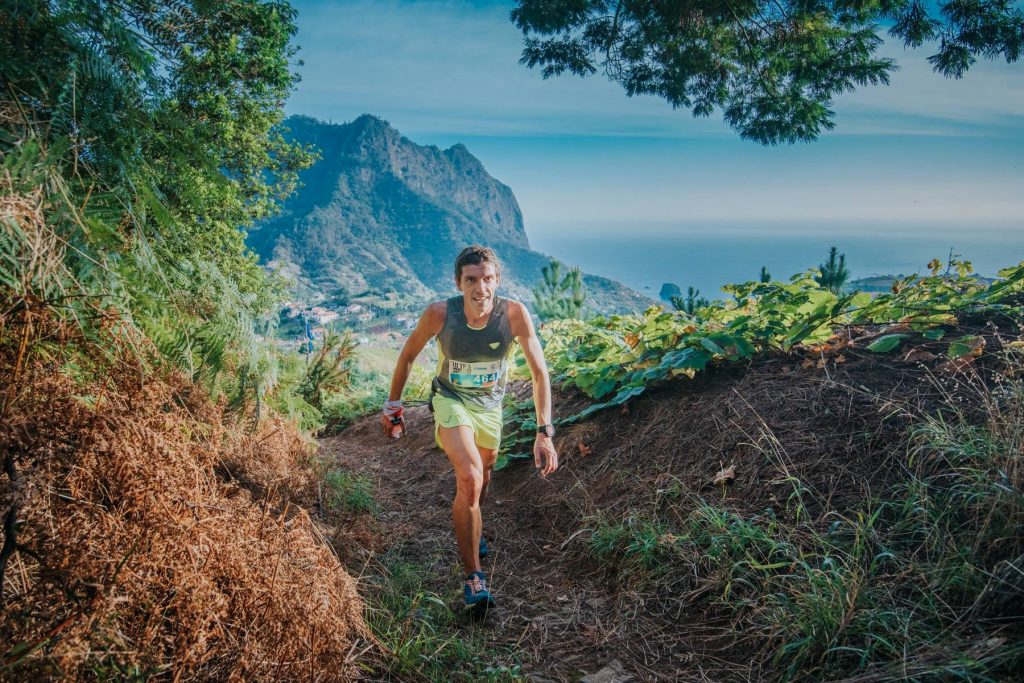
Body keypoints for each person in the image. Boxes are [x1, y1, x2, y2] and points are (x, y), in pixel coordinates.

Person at [380, 245, 559, 611]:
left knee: (485, 474)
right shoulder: (440, 314)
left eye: (488, 279)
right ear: (459, 283)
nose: (481, 288)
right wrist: (393, 405)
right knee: (470, 475)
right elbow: (408, 355)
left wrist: (545, 431)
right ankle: (474, 578)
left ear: (498, 280)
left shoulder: (514, 315)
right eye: (472, 280)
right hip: (450, 400)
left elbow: (540, 373)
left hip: (490, 408)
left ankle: (472, 527)